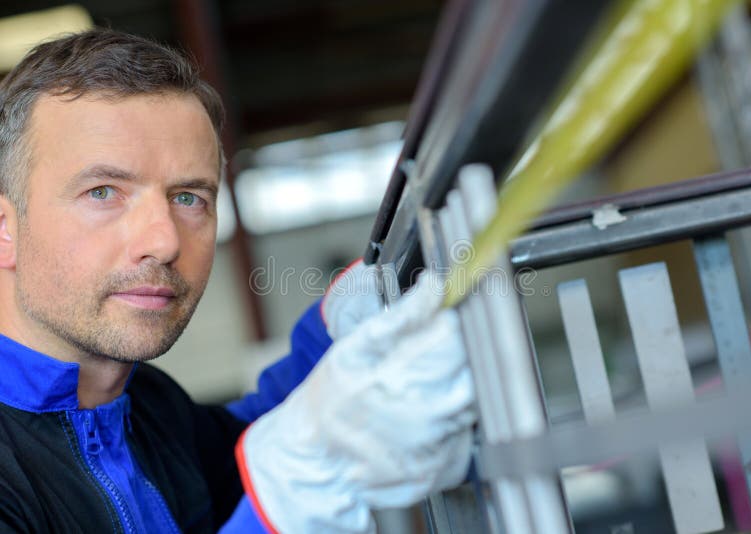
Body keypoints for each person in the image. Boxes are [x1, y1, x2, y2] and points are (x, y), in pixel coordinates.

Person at [0, 28, 475, 533]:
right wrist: (287, 505)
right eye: (103, 192)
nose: (164, 241)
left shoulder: (147, 408)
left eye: (189, 198)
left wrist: (337, 336)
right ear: (5, 229)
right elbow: (277, 486)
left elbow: (248, 455)